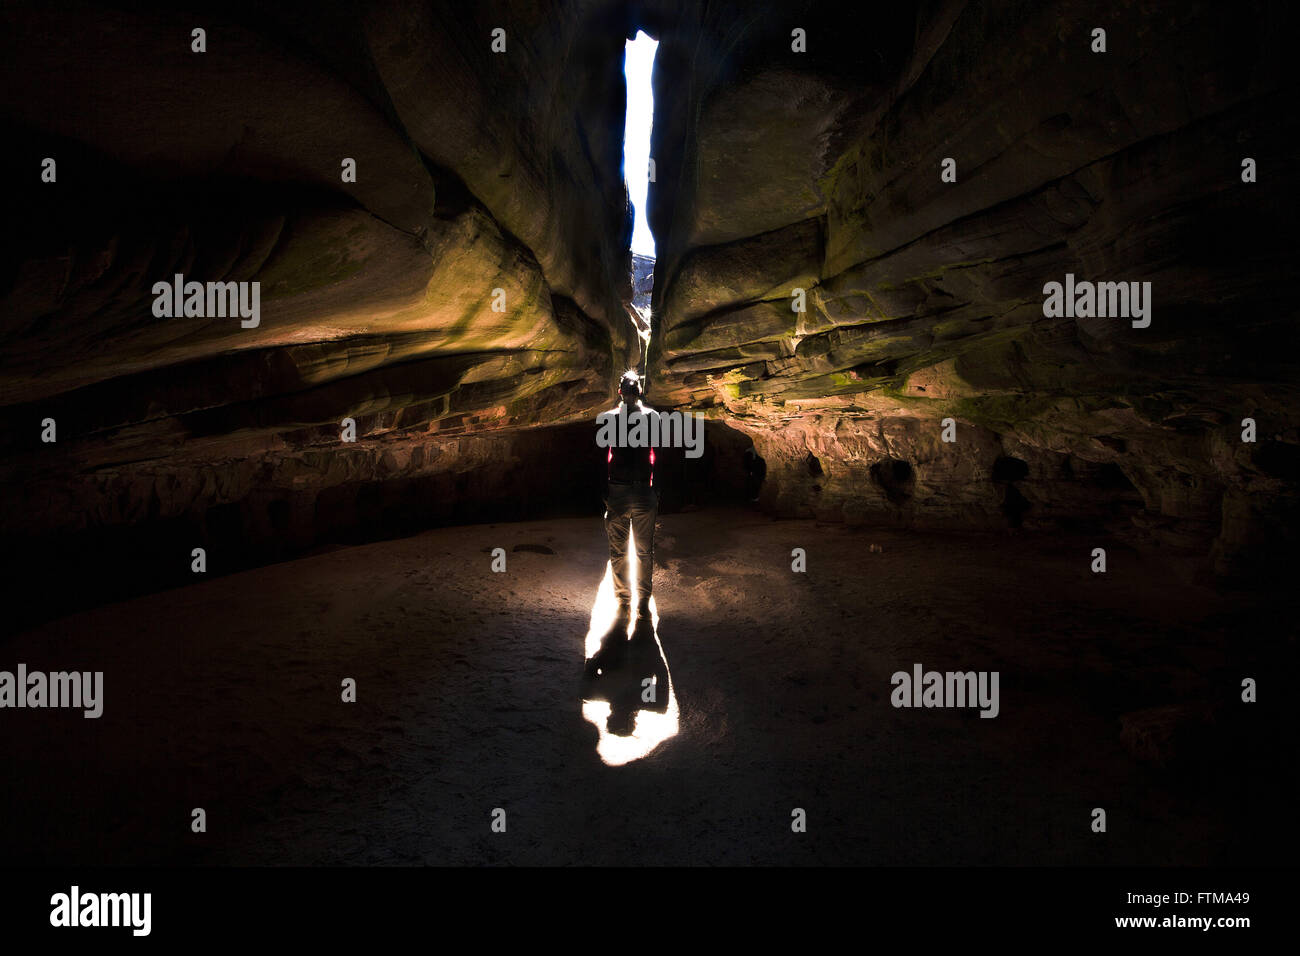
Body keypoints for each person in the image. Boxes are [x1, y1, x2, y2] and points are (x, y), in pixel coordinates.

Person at [600, 370, 660, 629]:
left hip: (618, 491)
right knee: (643, 552)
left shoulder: (609, 419)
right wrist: (656, 488)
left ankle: (624, 602)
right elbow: (660, 455)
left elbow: (601, 459)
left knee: (619, 551)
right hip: (642, 490)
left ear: (619, 392)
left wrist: (604, 490)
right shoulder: (652, 418)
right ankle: (642, 603)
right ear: (640, 391)